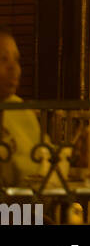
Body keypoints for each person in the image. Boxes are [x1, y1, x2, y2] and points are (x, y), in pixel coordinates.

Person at [0, 28, 49, 187]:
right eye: (3, 59)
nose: (13, 68)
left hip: (26, 208)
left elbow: (47, 157)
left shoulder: (20, 111)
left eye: (16, 60)